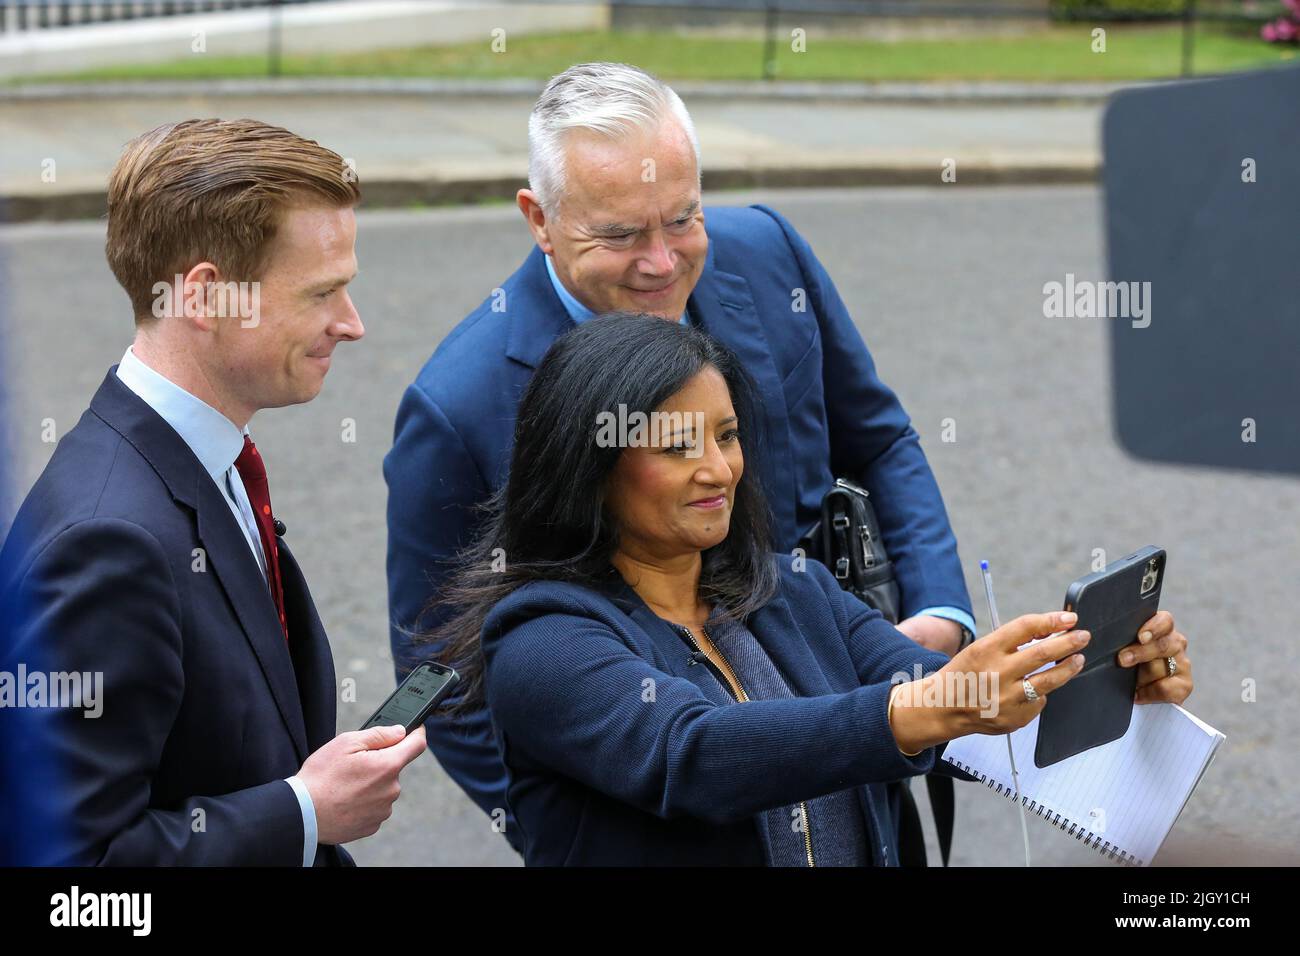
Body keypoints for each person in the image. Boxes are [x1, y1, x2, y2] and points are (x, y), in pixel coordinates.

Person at [386, 61, 978, 848]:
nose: (662, 262)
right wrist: (579, 824)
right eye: (623, 233)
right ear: (540, 218)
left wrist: (945, 619)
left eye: (683, 220)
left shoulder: (769, 253)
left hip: (850, 731)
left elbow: (880, 437)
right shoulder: (458, 406)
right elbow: (442, 672)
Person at [428, 313, 1194, 866]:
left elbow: (942, 694)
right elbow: (691, 755)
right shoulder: (540, 640)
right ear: (585, 470)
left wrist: (1102, 672)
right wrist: (933, 705)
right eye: (676, 446)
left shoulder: (788, 587)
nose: (718, 470)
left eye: (726, 436)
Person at [0, 119, 425, 866]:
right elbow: (73, 877)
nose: (351, 325)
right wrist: (301, 812)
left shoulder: (199, 461)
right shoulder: (107, 543)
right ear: (206, 297)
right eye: (322, 292)